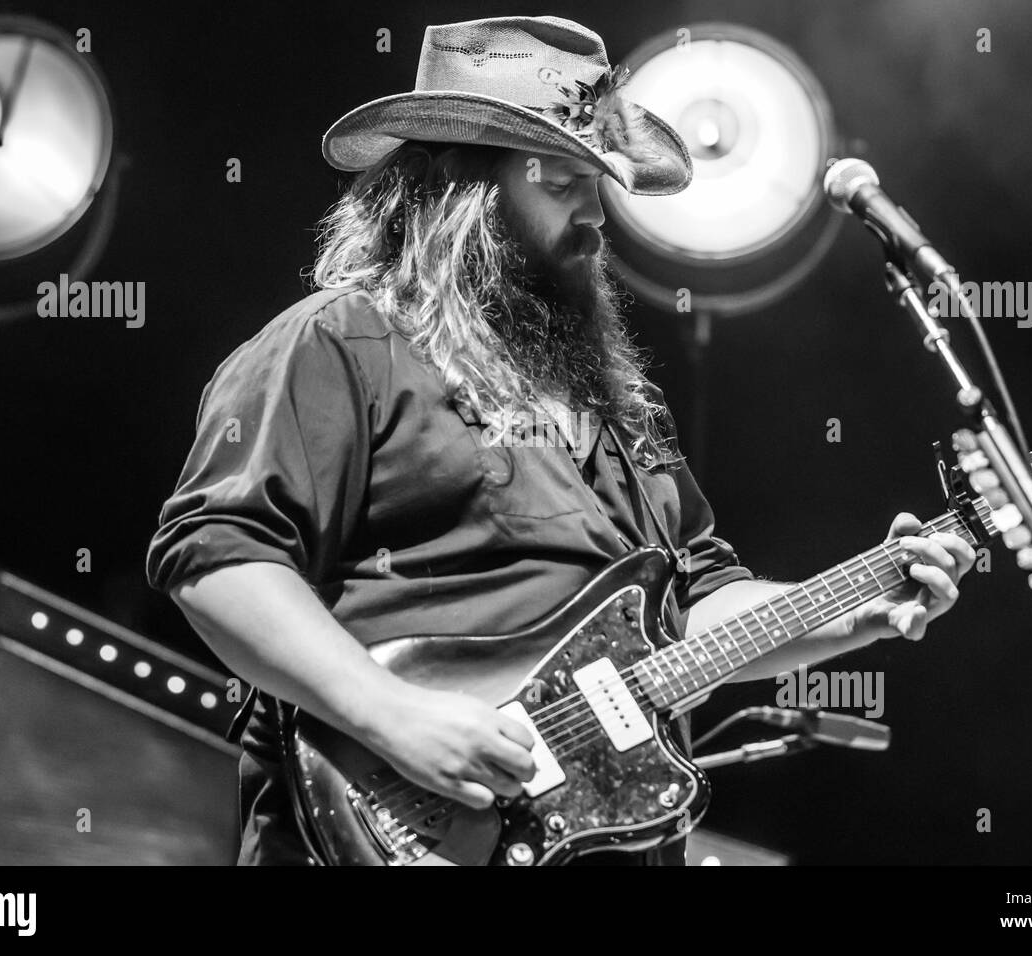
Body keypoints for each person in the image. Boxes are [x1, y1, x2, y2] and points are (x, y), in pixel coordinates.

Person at [145, 15, 975, 866]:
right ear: (452, 189)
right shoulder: (340, 344)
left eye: (599, 181)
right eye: (563, 180)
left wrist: (854, 609)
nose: (595, 214)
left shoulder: (617, 409)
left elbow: (694, 608)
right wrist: (392, 717)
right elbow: (216, 558)